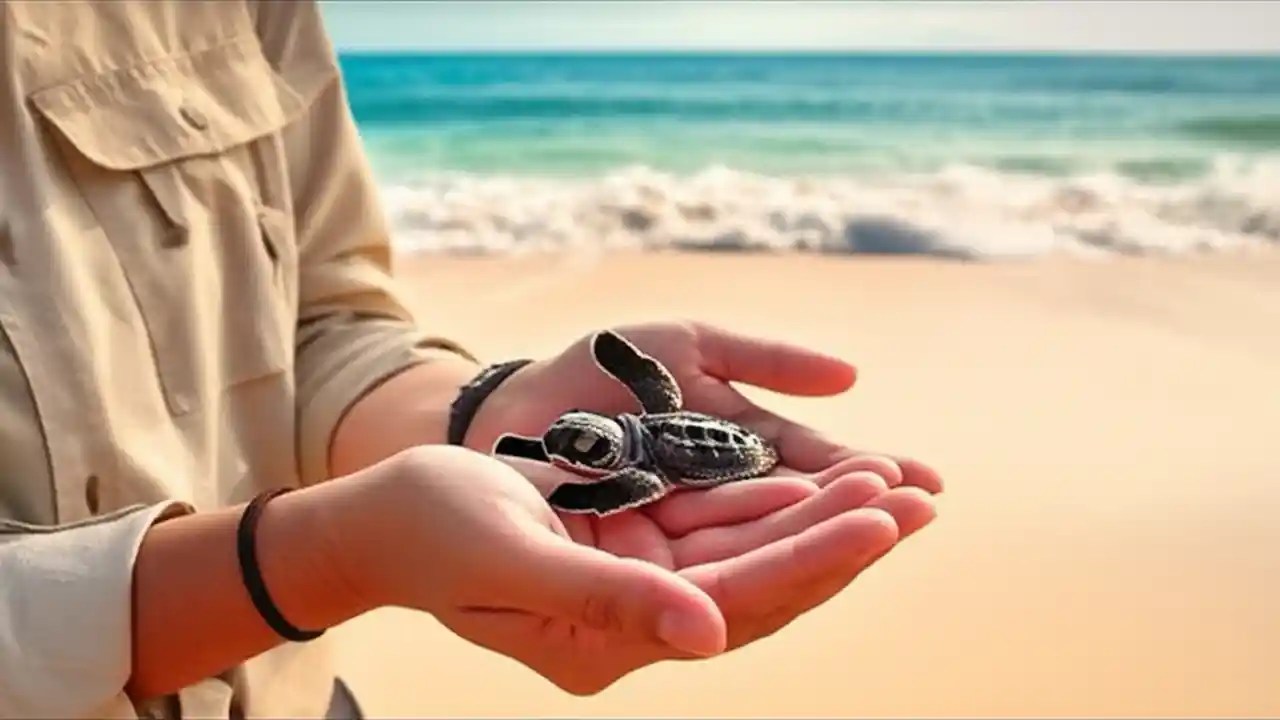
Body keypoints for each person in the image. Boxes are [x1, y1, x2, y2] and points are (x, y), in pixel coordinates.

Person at [0, 1, 942, 718]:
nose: (569, 456)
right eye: (571, 451)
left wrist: (479, 413)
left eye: (577, 446)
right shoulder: (628, 473)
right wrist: (324, 559)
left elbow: (318, 317)